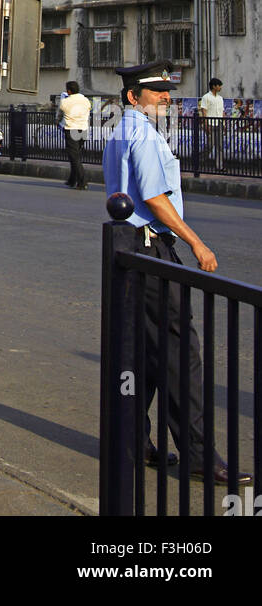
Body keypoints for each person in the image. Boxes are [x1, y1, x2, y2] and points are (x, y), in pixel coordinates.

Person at [102, 61, 251, 484]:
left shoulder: (121, 132)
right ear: (135, 97)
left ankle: (134, 441)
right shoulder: (143, 135)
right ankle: (201, 455)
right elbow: (153, 196)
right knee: (180, 353)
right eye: (157, 92)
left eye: (167, 91)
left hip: (131, 248)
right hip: (149, 246)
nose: (167, 98)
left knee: (144, 353)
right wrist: (196, 242)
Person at [59, 80, 91, 190]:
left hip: (71, 129)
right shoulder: (86, 100)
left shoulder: (65, 102)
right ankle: (72, 180)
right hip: (83, 129)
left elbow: (60, 112)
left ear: (68, 91)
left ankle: (82, 182)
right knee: (76, 155)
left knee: (74, 157)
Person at [198, 77, 224, 170]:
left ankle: (219, 166)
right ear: (214, 86)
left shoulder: (220, 98)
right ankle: (199, 159)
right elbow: (204, 110)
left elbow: (222, 111)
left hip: (219, 123)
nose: (220, 87)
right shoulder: (206, 97)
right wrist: (206, 124)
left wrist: (223, 123)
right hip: (210, 123)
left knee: (220, 146)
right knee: (210, 145)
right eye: (219, 86)